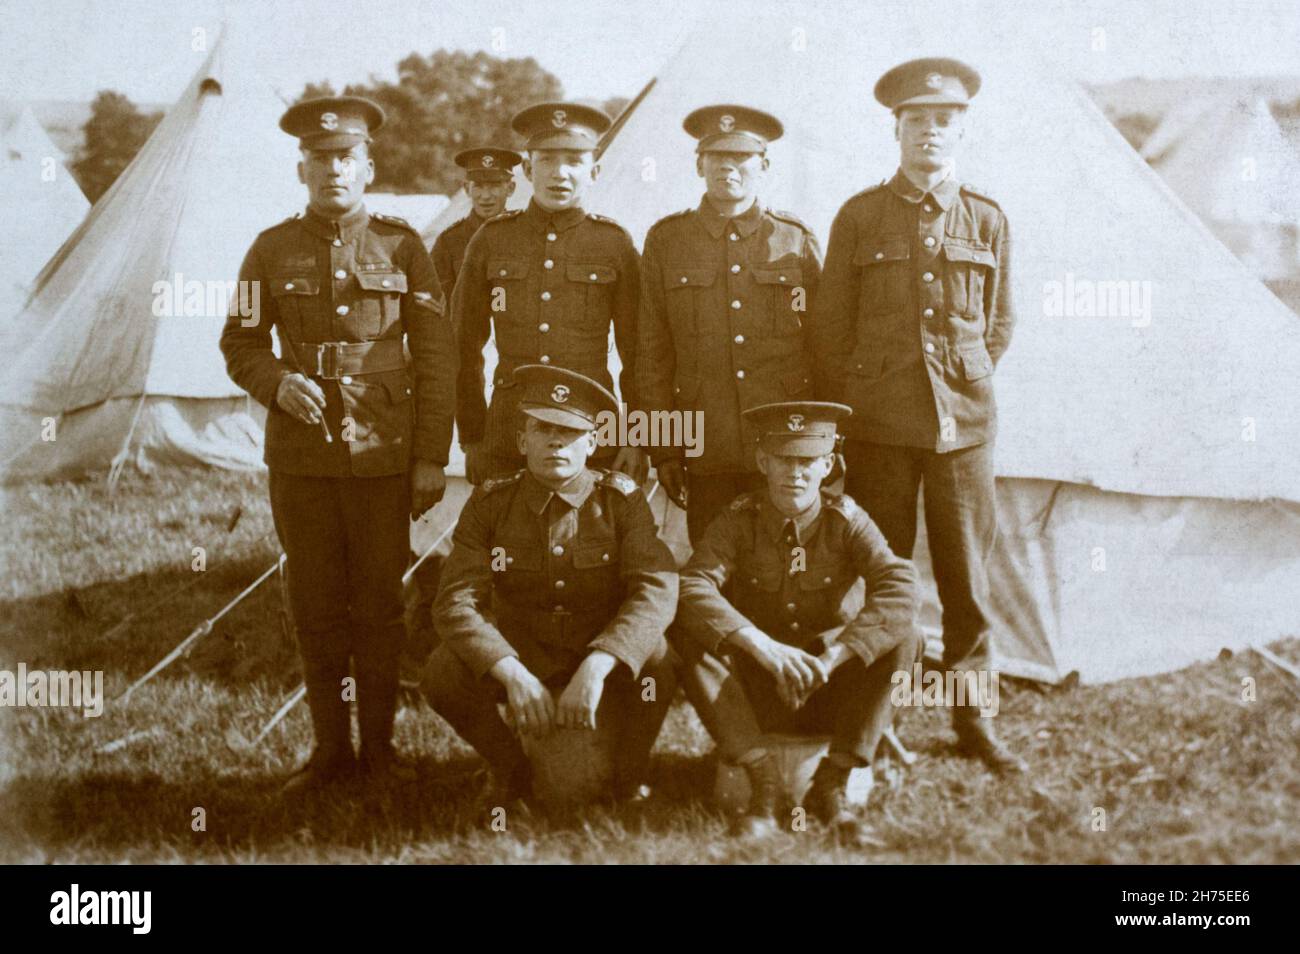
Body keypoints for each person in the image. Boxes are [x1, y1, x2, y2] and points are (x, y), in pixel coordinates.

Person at [220, 96, 456, 794]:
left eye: (346, 158)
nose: (334, 170)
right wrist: (275, 382)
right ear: (303, 169)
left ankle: (380, 753)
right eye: (321, 159)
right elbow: (239, 342)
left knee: (381, 605)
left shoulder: (402, 246)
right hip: (302, 455)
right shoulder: (271, 248)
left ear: (367, 166)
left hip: (386, 453)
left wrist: (429, 458)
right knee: (315, 605)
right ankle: (330, 754)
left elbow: (437, 356)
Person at [812, 58, 1024, 773]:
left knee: (967, 580)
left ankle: (974, 720)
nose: (930, 131)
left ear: (961, 129)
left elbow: (998, 326)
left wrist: (963, 380)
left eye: (944, 120)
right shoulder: (860, 214)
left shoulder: (988, 217)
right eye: (916, 120)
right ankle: (876, 716)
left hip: (963, 429)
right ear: (895, 130)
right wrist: (857, 408)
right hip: (879, 429)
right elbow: (831, 330)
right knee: (886, 575)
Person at [423, 364, 678, 810]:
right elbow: (455, 602)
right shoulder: (489, 502)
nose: (556, 441)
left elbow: (656, 587)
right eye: (543, 429)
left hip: (595, 652)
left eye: (570, 430)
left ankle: (629, 779)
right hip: (524, 653)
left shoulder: (621, 500)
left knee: (658, 662)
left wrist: (600, 663)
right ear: (522, 441)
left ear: (593, 442)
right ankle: (510, 772)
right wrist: (510, 670)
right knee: (442, 674)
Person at [675, 401, 920, 841]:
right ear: (762, 462)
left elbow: (900, 585)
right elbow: (693, 586)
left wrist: (833, 657)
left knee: (907, 636)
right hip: (758, 688)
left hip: (829, 685)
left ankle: (832, 785)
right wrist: (761, 647)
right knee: (684, 632)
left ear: (827, 465)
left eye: (807, 461)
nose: (795, 473)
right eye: (784, 460)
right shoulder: (738, 519)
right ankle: (762, 787)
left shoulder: (847, 520)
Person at [638, 104, 821, 544]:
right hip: (706, 441)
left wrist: (823, 442)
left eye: (741, 157)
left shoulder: (794, 240)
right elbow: (650, 353)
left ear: (763, 164)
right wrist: (664, 449)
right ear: (699, 164)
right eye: (717, 157)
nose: (728, 168)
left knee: (782, 571)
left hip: (783, 443)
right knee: (711, 565)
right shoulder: (667, 241)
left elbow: (824, 345)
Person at [452, 102, 645, 485]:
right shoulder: (492, 238)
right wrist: (473, 437)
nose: (560, 173)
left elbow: (639, 351)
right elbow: (462, 345)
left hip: (591, 427)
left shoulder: (614, 244)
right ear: (527, 169)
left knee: (590, 541)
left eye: (574, 161)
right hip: (510, 428)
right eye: (547, 160)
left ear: (593, 172)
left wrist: (636, 438)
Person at [430, 146, 522, 306]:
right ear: (467, 189)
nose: (485, 196)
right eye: (478, 186)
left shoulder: (527, 236)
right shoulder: (449, 242)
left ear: (510, 188)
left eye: (494, 185)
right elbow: (437, 304)